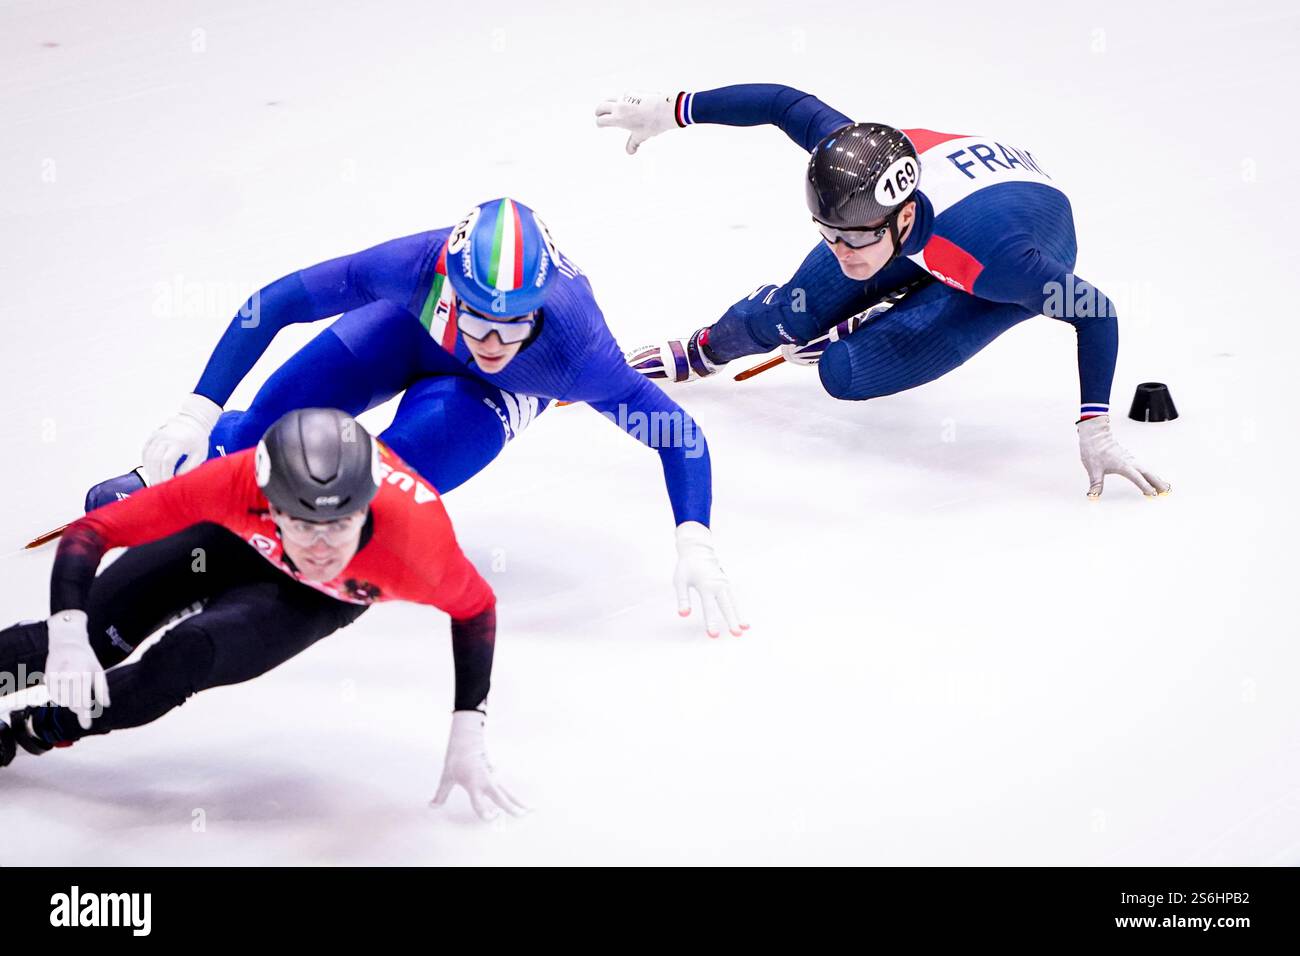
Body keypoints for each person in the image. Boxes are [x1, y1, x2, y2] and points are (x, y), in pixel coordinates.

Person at [87, 198, 745, 637]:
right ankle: (172, 479)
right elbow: (276, 301)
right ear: (447, 283)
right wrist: (193, 416)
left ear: (540, 308)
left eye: (511, 324)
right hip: (410, 331)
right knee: (262, 426)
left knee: (376, 487)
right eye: (479, 318)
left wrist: (695, 537)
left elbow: (678, 436)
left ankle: (244, 553)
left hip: (495, 397)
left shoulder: (579, 352)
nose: (491, 343)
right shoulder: (414, 265)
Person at [596, 86, 1171, 499]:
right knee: (790, 316)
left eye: (856, 238)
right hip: (943, 213)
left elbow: (1096, 312)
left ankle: (876, 319)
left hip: (1010, 243)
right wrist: (672, 111)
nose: (842, 250)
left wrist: (1094, 424)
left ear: (899, 219)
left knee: (846, 372)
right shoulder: (859, 163)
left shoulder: (998, 262)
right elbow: (782, 104)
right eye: (829, 235)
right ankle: (708, 349)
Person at [1, 408, 523, 821]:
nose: (320, 548)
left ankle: (42, 726)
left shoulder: (415, 540)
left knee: (190, 654)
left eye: (339, 525)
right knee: (91, 638)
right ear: (268, 502)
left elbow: (477, 610)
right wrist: (68, 633)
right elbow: (93, 531)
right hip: (227, 544)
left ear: (367, 507)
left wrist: (467, 726)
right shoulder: (233, 481)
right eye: (301, 524)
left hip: (317, 599)